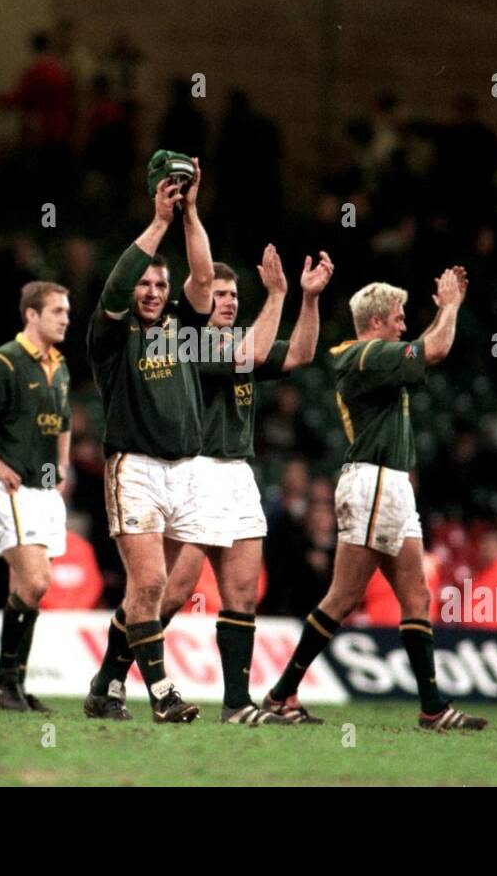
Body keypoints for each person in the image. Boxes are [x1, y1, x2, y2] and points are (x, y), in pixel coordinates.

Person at [260, 270, 487, 731]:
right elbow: (437, 349)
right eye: (400, 318)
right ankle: (280, 693)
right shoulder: (364, 356)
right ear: (379, 321)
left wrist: (442, 314)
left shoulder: (379, 356)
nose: (405, 326)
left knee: (415, 596)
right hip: (374, 482)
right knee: (342, 597)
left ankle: (432, 709)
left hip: (392, 485)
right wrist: (450, 306)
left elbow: (423, 349)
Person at [145, 248, 333, 724]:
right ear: (200, 300)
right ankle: (108, 676)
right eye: (219, 295)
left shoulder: (239, 343)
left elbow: (301, 353)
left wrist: (307, 300)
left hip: (239, 473)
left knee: (243, 594)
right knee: (173, 591)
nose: (228, 302)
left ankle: (235, 704)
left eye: (233, 295)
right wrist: (276, 294)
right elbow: (247, 353)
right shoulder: (188, 345)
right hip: (197, 471)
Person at [82, 151, 217, 723]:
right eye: (145, 283)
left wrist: (189, 214)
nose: (153, 291)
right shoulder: (110, 337)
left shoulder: (184, 329)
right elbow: (114, 286)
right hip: (134, 466)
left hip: (186, 468)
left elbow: (205, 278)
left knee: (174, 588)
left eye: (161, 283)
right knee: (149, 580)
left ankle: (109, 678)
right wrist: (159, 219)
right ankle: (162, 695)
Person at [0, 281, 72, 713]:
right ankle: (3, 677)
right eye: (56, 311)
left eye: (66, 311)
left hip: (45, 489)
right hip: (12, 487)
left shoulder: (60, 365)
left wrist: (63, 465)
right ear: (31, 315)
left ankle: (13, 682)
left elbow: (64, 421)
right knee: (36, 582)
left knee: (27, 591)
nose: (66, 318)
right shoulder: (1, 362)